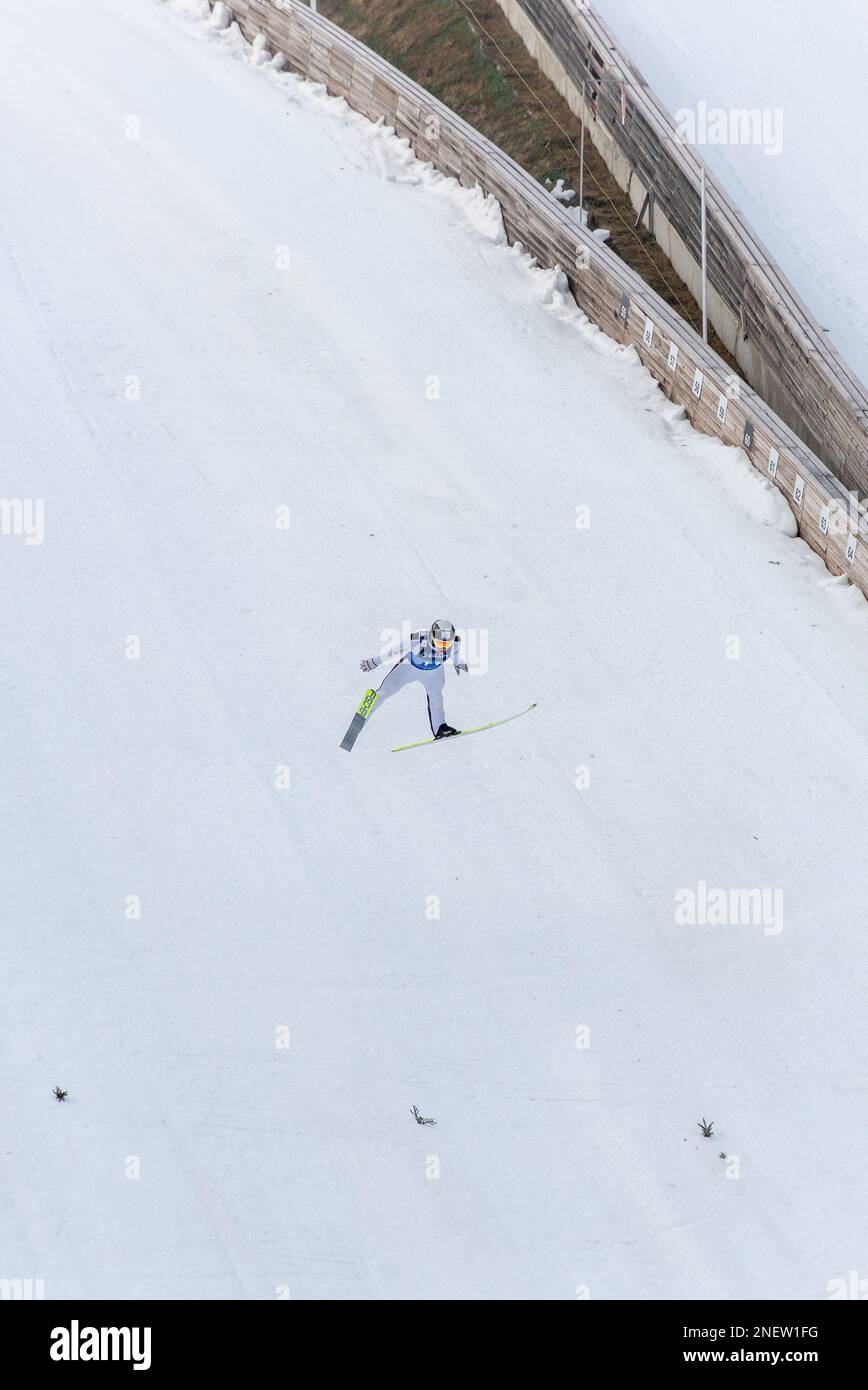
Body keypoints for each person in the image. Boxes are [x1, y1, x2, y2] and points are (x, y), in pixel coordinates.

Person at [341, 620, 467, 751]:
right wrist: (375, 661)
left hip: (433, 672)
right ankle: (360, 722)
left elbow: (455, 654)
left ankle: (441, 727)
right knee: (385, 692)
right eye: (441, 643)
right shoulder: (418, 638)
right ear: (431, 636)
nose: (444, 647)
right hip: (409, 668)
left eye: (447, 643)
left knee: (436, 697)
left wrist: (458, 663)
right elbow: (394, 650)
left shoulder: (456, 642)